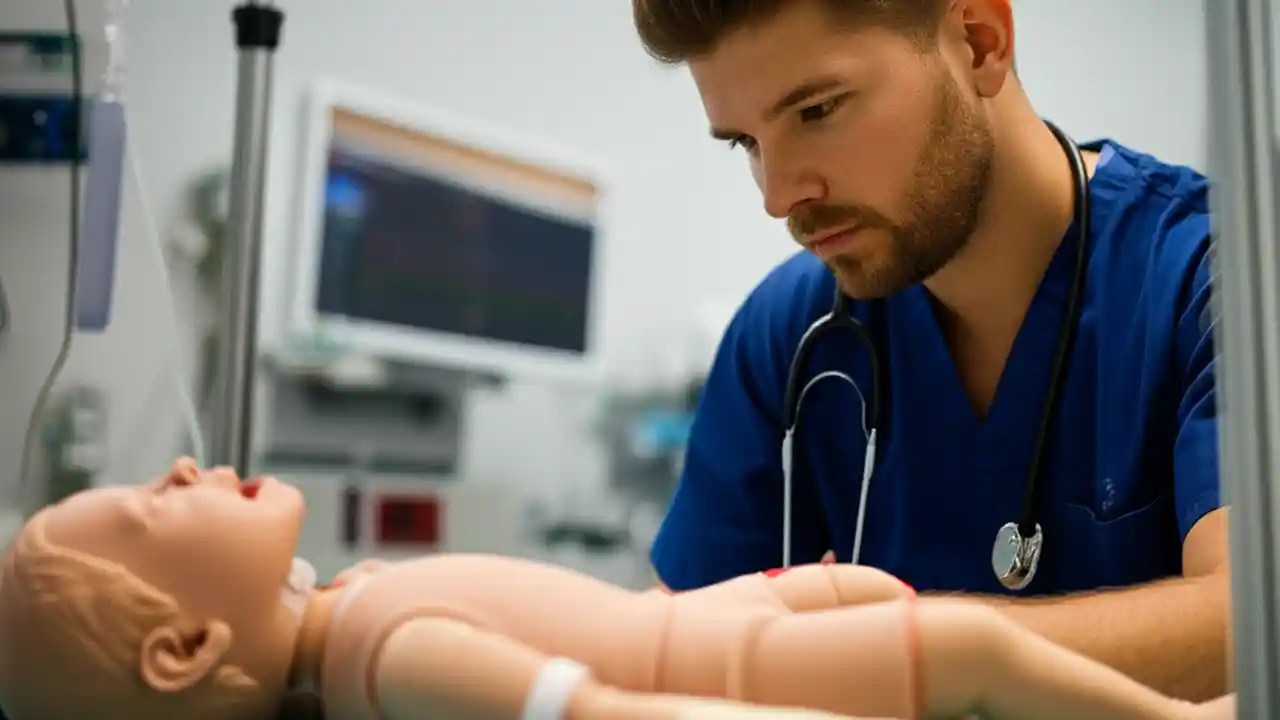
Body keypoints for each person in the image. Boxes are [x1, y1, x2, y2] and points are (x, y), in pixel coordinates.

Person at [631, 0, 1229, 702]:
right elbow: (670, 658)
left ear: (978, 43)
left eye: (817, 111)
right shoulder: (791, 336)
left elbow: (1251, 624)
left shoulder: (1218, 279)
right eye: (746, 144)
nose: (780, 194)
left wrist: (909, 652)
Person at [0, 458, 1235, 720]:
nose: (177, 466)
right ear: (182, 649)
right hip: (731, 672)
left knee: (894, 601)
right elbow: (612, 716)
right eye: (153, 507)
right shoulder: (387, 653)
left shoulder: (353, 611)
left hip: (723, 620)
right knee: (971, 652)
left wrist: (776, 589)